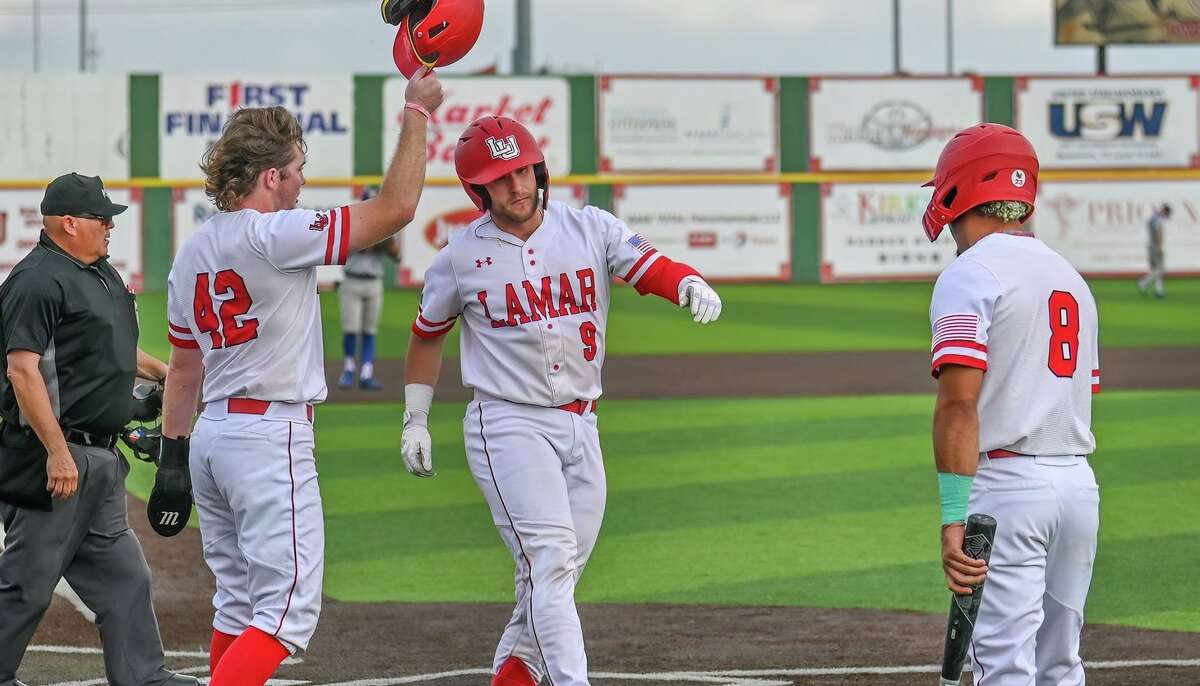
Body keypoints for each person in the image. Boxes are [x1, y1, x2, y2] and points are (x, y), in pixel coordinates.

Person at [400, 115, 723, 686]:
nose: (516, 185)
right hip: (508, 425)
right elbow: (427, 334)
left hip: (582, 425)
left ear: (539, 170)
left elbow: (650, 267)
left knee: (552, 579)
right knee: (549, 563)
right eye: (500, 178)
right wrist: (415, 418)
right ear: (478, 190)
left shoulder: (589, 227)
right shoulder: (459, 256)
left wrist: (686, 282)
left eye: (523, 171)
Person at [157, 69, 443, 686]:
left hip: (211, 436)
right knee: (285, 617)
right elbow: (396, 209)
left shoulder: (192, 250)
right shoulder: (275, 234)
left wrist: (172, 461)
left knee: (237, 604)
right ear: (270, 177)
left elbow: (183, 369)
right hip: (268, 438)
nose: (302, 180)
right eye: (296, 169)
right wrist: (417, 112)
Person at [0, 173, 197, 686]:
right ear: (69, 223)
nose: (110, 226)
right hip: (52, 460)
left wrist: (165, 373)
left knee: (124, 577)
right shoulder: (36, 281)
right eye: (101, 218)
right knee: (26, 584)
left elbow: (111, 348)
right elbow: (22, 371)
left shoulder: (100, 273)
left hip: (102, 461)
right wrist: (56, 451)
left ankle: (142, 676)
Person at [922, 124, 1101, 685]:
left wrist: (954, 516)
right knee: (1060, 664)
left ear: (958, 190)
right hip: (1078, 489)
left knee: (1003, 667)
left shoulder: (970, 273)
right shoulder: (1072, 278)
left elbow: (958, 406)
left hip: (1008, 491)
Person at [338, 187, 400, 391]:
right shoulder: (352, 225)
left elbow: (396, 255)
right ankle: (348, 369)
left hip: (374, 282)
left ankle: (366, 373)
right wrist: (378, 239)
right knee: (351, 329)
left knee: (369, 330)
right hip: (352, 281)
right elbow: (354, 246)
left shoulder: (384, 228)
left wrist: (387, 243)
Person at [1137, 203, 1171, 299]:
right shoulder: (1158, 219)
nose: (1167, 217)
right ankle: (1143, 282)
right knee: (1160, 269)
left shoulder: (1154, 217)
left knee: (1157, 269)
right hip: (1155, 246)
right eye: (1167, 214)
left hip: (1151, 245)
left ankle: (1159, 291)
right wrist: (1160, 246)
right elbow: (1157, 233)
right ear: (1165, 211)